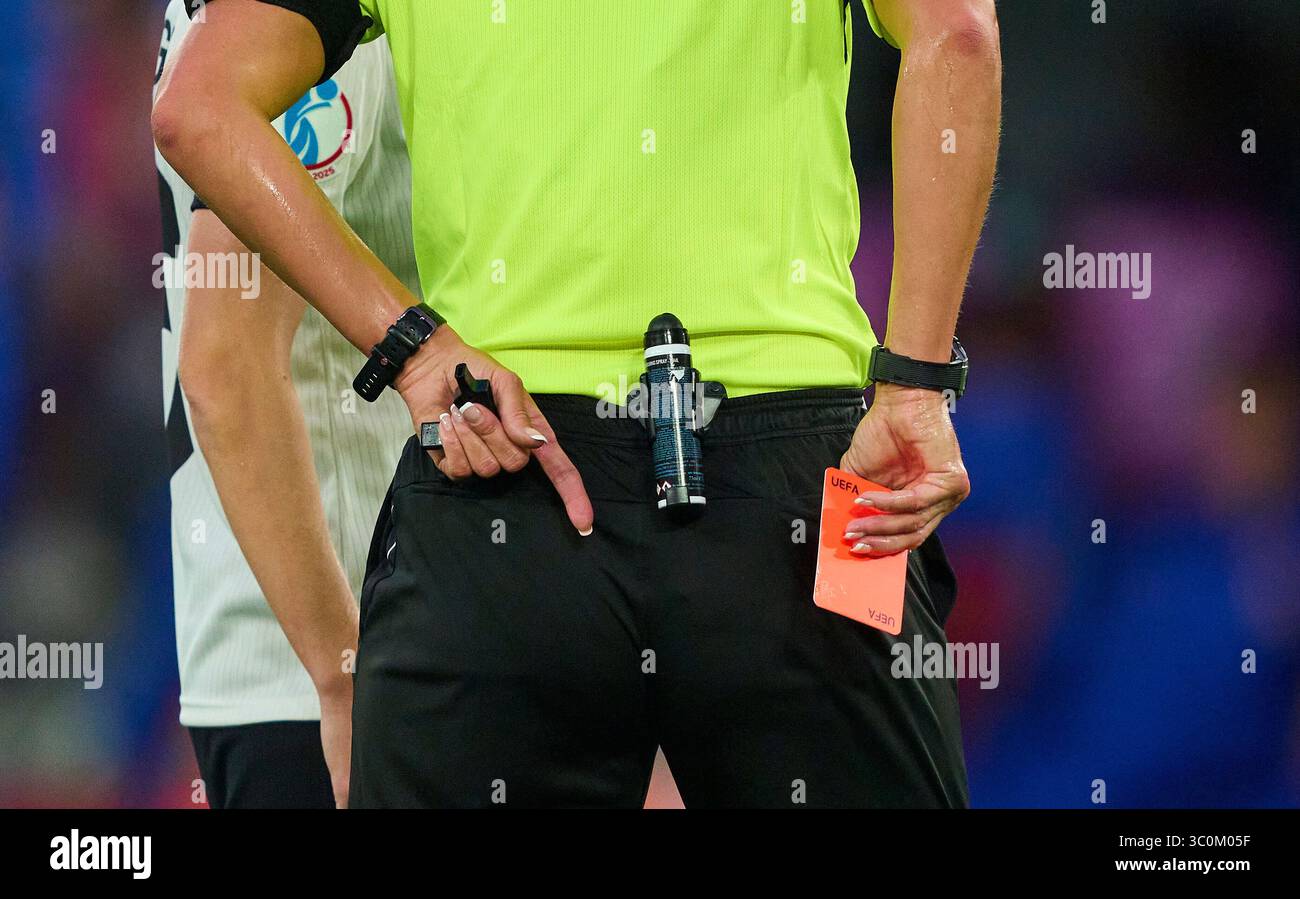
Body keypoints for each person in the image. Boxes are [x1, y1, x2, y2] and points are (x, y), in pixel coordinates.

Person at [154, 0, 1001, 808]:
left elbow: (198, 106)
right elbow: (959, 35)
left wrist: (416, 350)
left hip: (494, 478)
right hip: (814, 482)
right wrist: (915, 386)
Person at [152, 0, 420, 807]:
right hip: (337, 662)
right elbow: (225, 365)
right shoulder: (311, 28)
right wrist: (343, 673)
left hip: (283, 650)